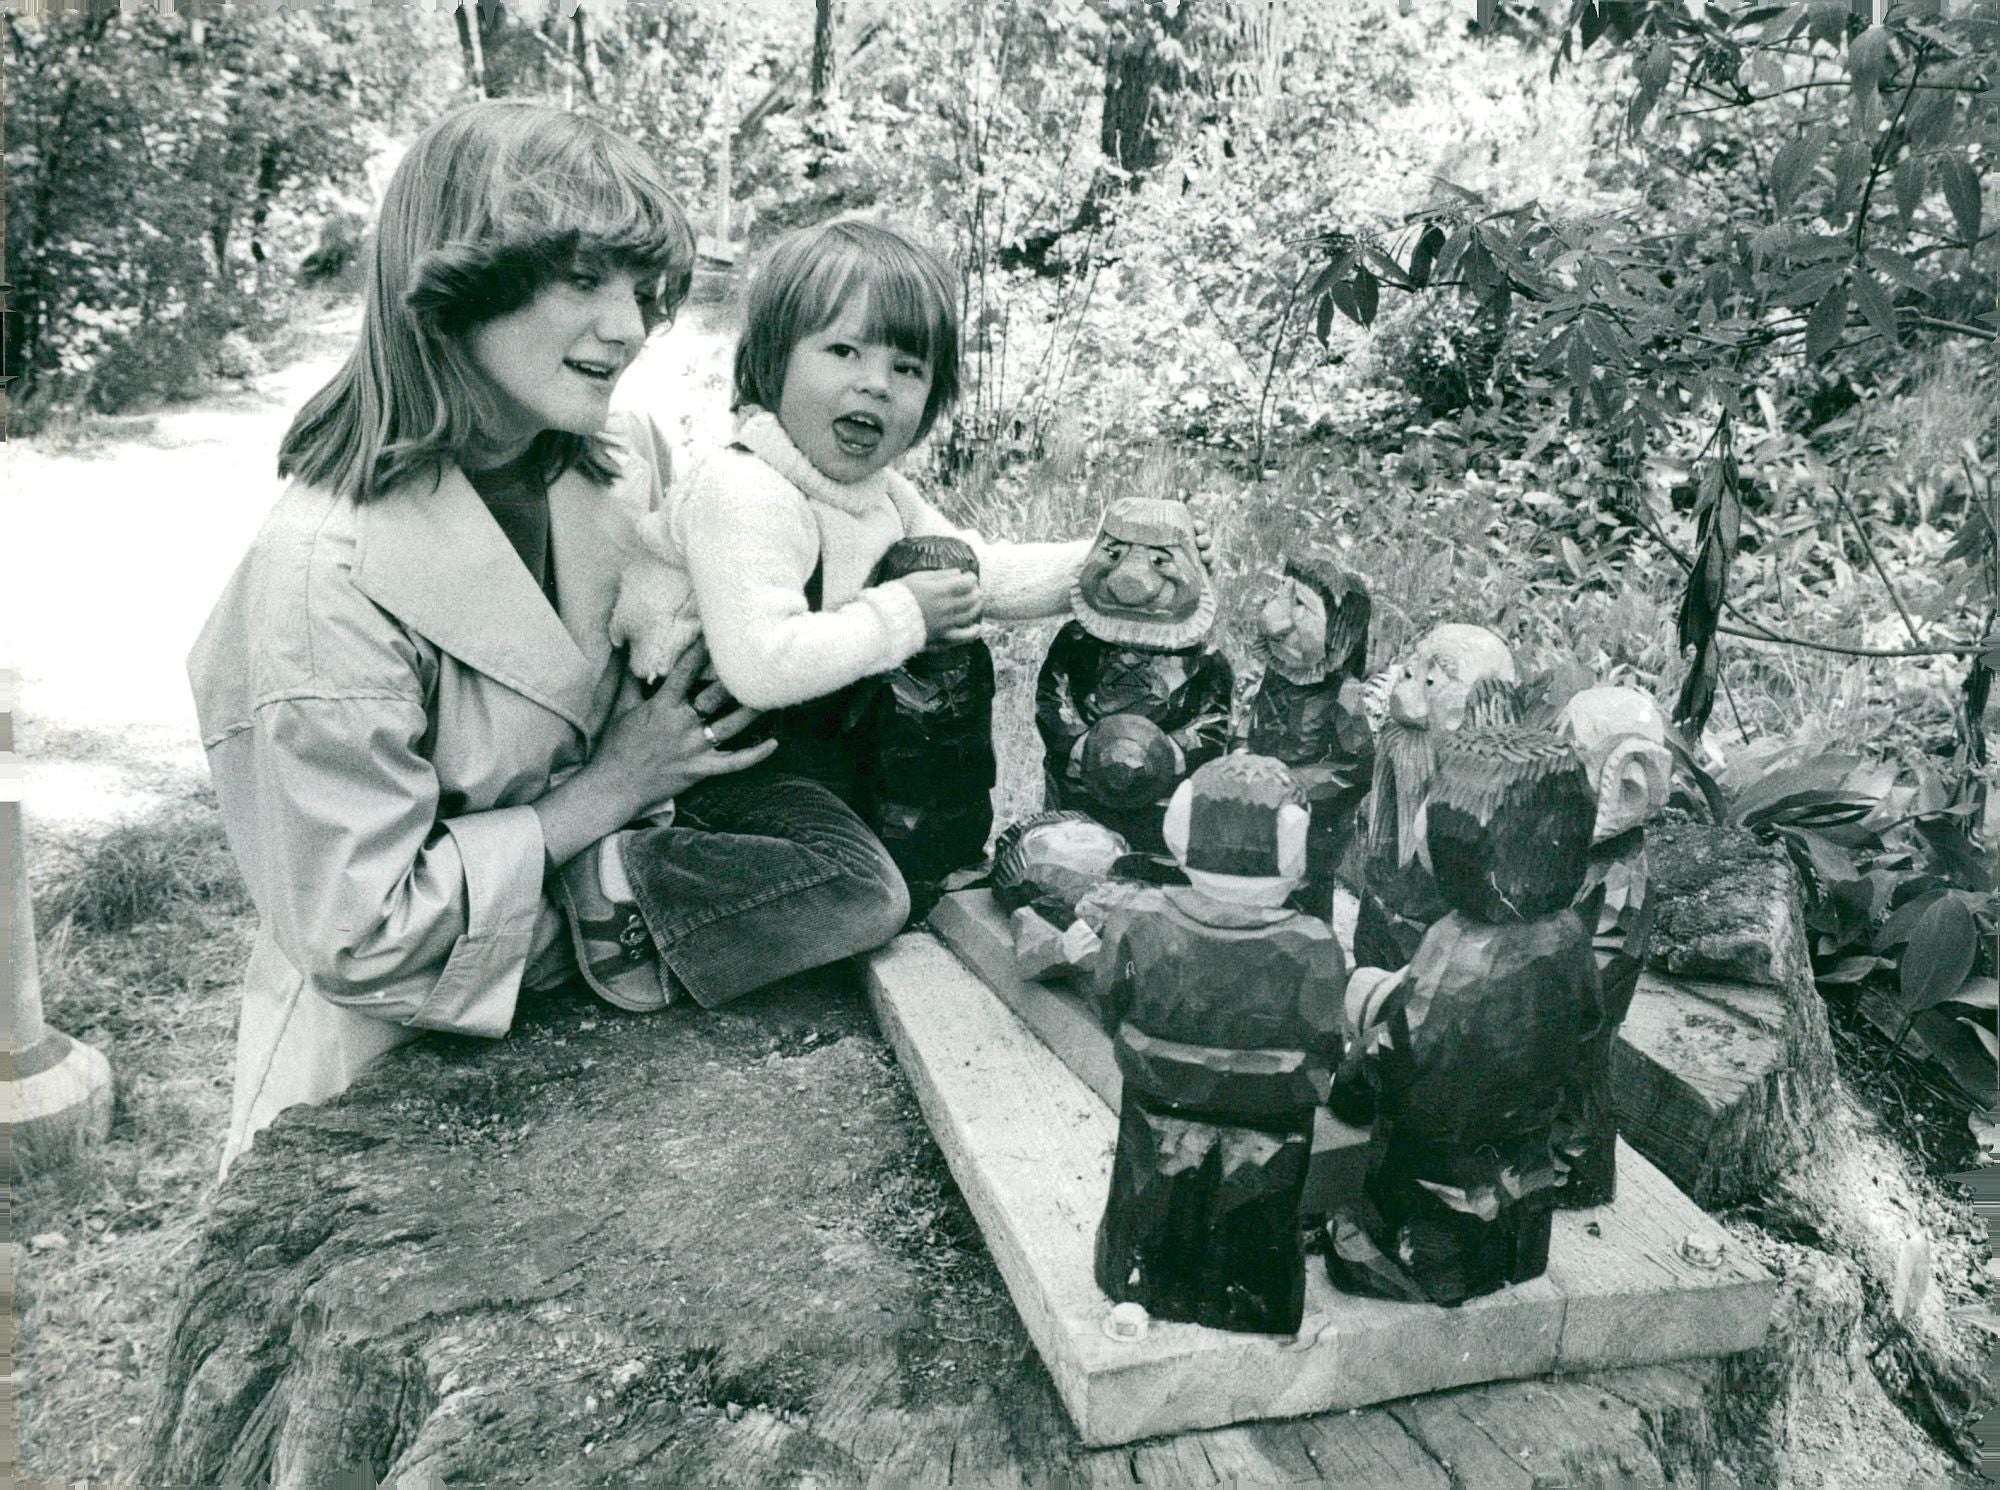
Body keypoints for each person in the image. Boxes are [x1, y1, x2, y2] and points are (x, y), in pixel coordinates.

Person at [189, 103, 908, 1176]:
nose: (627, 328)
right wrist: (605, 793)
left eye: (640, 290)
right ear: (451, 281)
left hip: (600, 1018)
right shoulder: (319, 577)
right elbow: (363, 936)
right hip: (394, 1075)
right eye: (582, 279)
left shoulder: (621, 448)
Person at [604, 219, 1210, 942]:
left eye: (907, 368)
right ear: (772, 362)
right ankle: (628, 879)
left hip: (810, 749)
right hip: (711, 773)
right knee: (866, 891)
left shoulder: (879, 495)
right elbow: (760, 667)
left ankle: (868, 868)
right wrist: (902, 614)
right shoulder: (744, 489)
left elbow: (974, 571)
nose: (874, 383)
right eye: (842, 350)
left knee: (901, 860)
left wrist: (1112, 561)